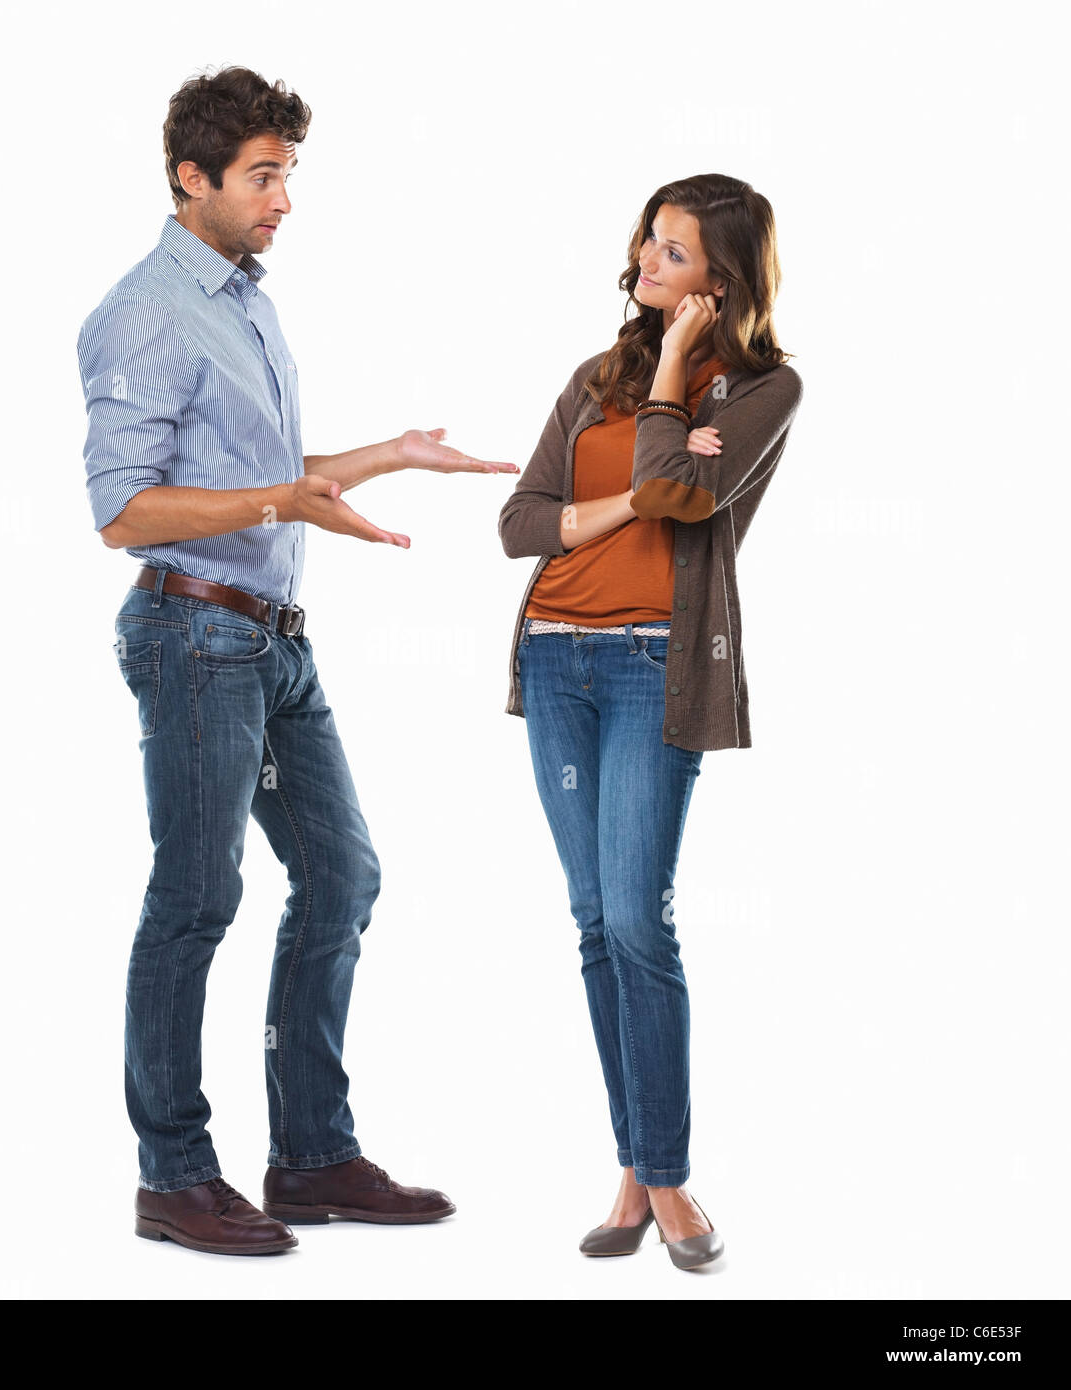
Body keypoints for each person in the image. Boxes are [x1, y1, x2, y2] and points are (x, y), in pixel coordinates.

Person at [78, 64, 514, 1257]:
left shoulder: (245, 299)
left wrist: (385, 453)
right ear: (193, 177)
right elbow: (122, 510)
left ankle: (311, 1155)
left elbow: (259, 474)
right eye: (263, 176)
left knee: (342, 875)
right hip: (192, 635)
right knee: (197, 896)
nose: (283, 198)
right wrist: (287, 497)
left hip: (269, 639)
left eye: (287, 174)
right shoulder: (144, 311)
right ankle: (172, 1174)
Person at [498, 173, 803, 1270]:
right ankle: (637, 1163)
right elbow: (519, 519)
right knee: (592, 921)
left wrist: (675, 372)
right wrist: (629, 490)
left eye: (671, 251)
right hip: (556, 659)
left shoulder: (763, 388)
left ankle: (662, 1176)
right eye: (645, 240)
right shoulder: (592, 379)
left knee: (636, 918)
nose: (643, 258)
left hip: (648, 671)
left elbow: (683, 489)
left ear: (717, 283)